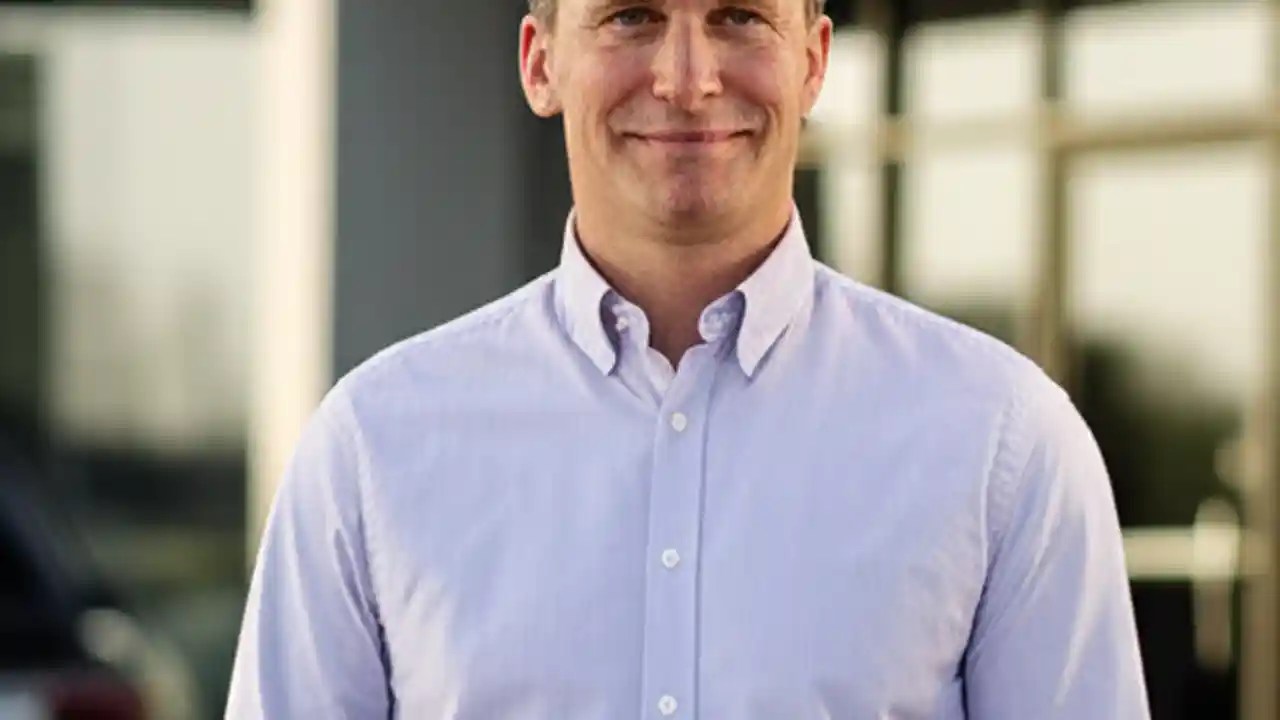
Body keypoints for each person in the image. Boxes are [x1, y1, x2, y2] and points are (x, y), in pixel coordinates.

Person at [226, 0, 1151, 717]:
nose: (686, 77)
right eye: (632, 16)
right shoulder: (373, 449)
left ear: (814, 61)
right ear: (540, 62)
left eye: (738, 17)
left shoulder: (1003, 445)